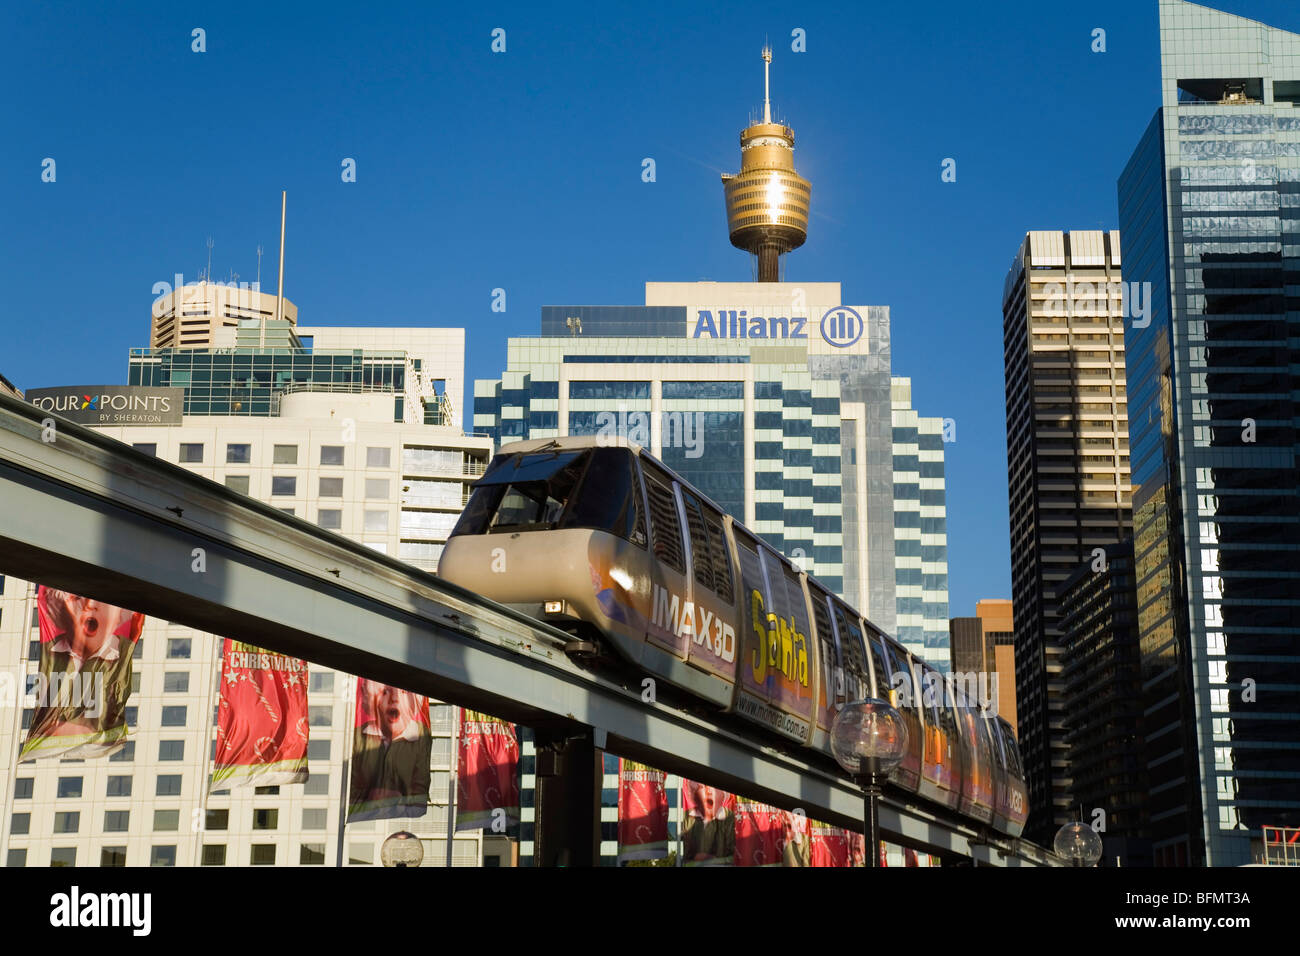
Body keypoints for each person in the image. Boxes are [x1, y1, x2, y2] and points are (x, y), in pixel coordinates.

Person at [348, 680, 431, 820]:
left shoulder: (421, 736)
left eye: (403, 693)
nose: (394, 699)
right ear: (373, 700)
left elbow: (419, 794)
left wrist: (395, 799)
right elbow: (354, 785)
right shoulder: (357, 735)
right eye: (385, 692)